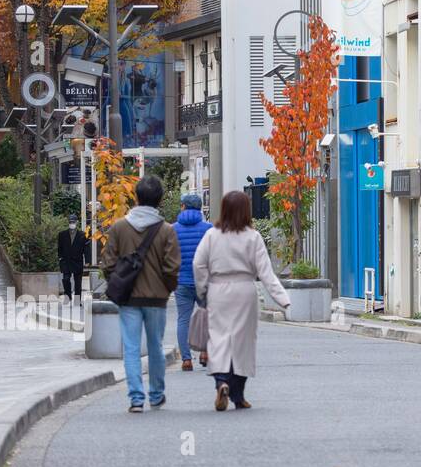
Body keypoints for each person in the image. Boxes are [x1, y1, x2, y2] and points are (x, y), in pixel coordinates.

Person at [193, 191, 289, 411]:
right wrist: (282, 298)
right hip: (245, 291)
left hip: (218, 291)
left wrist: (203, 288)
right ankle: (238, 395)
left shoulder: (212, 235)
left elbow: (198, 264)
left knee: (219, 340)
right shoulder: (252, 236)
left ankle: (221, 382)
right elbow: (266, 272)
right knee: (243, 343)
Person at [99, 176, 181, 413]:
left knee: (132, 347)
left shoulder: (119, 227)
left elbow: (108, 262)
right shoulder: (166, 230)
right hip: (157, 298)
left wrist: (118, 282)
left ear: (136, 197)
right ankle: (156, 394)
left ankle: (136, 397)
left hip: (129, 298)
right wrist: (166, 288)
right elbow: (172, 266)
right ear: (160, 199)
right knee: (155, 346)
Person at [172, 192, 212, 371]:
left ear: (182, 207)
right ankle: (205, 352)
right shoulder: (209, 229)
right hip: (204, 282)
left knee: (183, 320)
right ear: (200, 208)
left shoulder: (172, 229)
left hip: (181, 281)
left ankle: (186, 359)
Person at [56, 216, 87, 303]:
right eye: (70, 222)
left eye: (73, 222)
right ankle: (68, 295)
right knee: (65, 279)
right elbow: (59, 247)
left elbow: (86, 248)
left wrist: (87, 260)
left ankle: (77, 301)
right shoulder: (62, 234)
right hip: (66, 261)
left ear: (76, 222)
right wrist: (60, 258)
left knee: (78, 282)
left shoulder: (83, 235)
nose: (71, 224)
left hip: (77, 261)